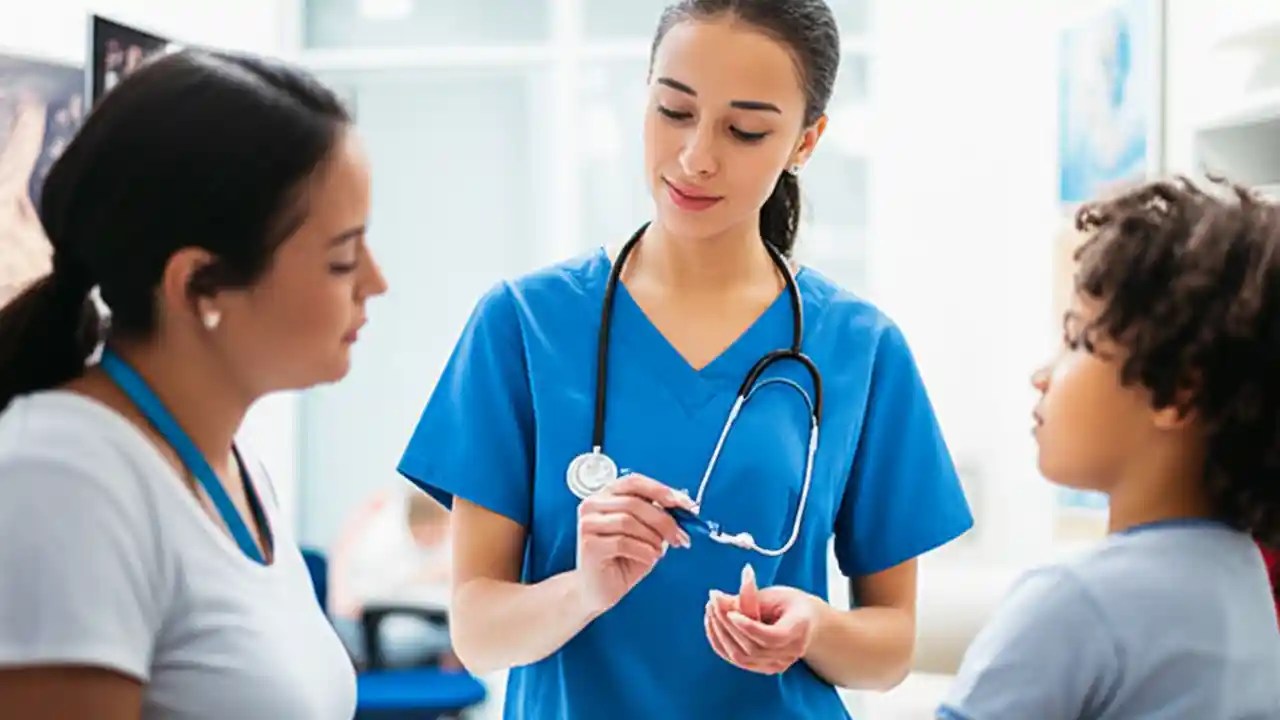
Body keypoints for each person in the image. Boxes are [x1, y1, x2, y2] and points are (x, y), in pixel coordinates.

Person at [397, 1, 973, 717]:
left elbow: (890, 648)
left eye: (746, 130)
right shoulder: (524, 325)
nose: (698, 156)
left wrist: (813, 629)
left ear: (805, 141)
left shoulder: (858, 347)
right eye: (674, 111)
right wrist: (585, 589)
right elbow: (478, 632)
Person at [0, 48, 387, 719]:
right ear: (199, 284)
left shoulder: (236, 472)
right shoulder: (65, 474)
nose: (375, 283)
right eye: (342, 259)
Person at [938, 177, 1280, 719]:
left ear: (1175, 391)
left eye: (1076, 340)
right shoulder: (1246, 587)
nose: (1042, 374)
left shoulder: (1074, 601)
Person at [329, 487, 460, 669]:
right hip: (379, 635)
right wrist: (421, 577)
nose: (431, 537)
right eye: (426, 531)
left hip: (426, 624)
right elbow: (366, 595)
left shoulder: (449, 548)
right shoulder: (381, 545)